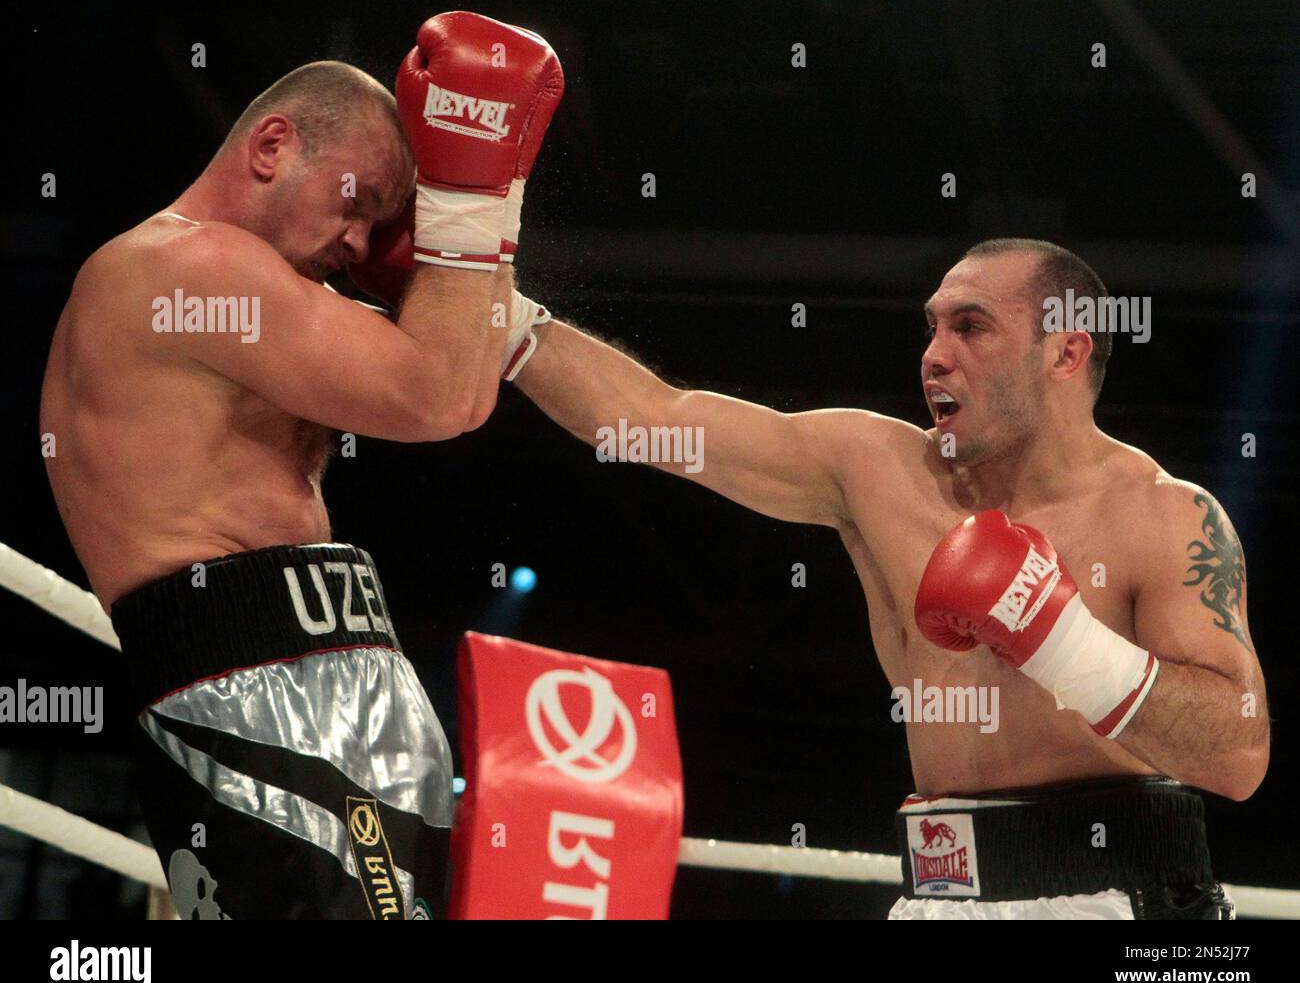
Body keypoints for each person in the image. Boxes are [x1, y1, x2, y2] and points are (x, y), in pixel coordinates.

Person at [510, 238, 1268, 919]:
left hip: (1124, 899)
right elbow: (648, 417)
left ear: (1065, 354)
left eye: (971, 327)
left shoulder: (1163, 516)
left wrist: (1060, 639)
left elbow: (1237, 757)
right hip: (939, 894)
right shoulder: (877, 470)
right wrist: (497, 314)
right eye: (932, 327)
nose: (934, 355)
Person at [39, 12, 563, 918]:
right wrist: (470, 197)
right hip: (253, 705)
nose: (360, 244)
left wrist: (491, 208)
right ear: (273, 146)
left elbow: (468, 384)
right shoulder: (179, 269)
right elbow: (437, 396)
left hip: (346, 675)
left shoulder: (263, 293)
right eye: (356, 202)